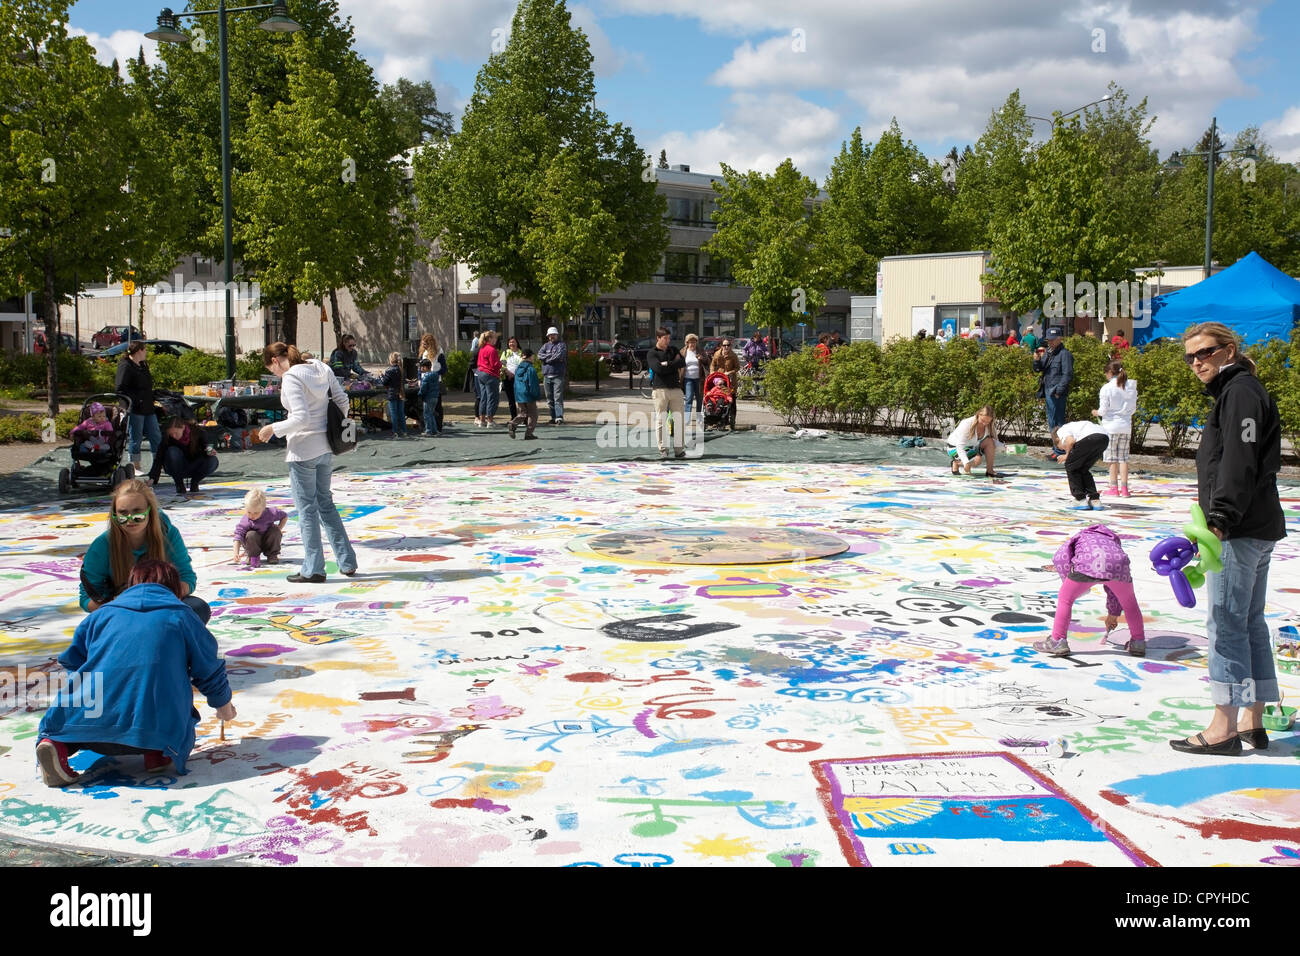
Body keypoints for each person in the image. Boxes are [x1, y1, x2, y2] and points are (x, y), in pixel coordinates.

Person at [1170, 322, 1286, 757]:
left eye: (1205, 352)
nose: (1197, 362)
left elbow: (1239, 461)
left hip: (1239, 528)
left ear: (1229, 351)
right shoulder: (1241, 391)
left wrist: (1219, 519)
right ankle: (1253, 719)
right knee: (1249, 620)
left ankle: (1224, 726)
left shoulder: (1239, 393)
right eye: (1190, 356)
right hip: (1257, 524)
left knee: (1225, 623)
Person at [36, 558, 235, 786]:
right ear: (174, 586)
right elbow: (209, 672)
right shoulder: (183, 616)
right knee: (164, 700)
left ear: (131, 583)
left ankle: (57, 745)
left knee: (77, 713)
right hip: (150, 728)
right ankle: (156, 753)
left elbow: (73, 662)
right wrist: (225, 708)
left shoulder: (100, 616)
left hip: (87, 723)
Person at [258, 342, 358, 584]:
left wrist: (273, 428)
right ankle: (347, 561)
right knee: (326, 505)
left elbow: (300, 418)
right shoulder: (321, 367)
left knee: (307, 511)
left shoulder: (291, 377)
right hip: (326, 447)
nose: (275, 375)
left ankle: (313, 568)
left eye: (272, 370)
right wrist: (329, 425)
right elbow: (343, 401)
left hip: (303, 450)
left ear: (275, 361)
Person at [79, 477, 210, 623]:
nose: (130, 519)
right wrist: (120, 604)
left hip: (162, 604)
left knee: (198, 608)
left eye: (138, 513)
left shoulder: (168, 535)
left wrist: (161, 597)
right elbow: (86, 598)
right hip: (120, 609)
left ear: (150, 511)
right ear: (114, 515)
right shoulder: (102, 545)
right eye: (122, 514)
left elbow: (187, 578)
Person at [1034, 524, 1146, 658]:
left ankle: (1058, 641)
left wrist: (1067, 580)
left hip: (1087, 564)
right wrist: (1113, 614)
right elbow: (1112, 586)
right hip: (1119, 567)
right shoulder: (1112, 540)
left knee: (1065, 599)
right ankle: (1138, 642)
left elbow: (1060, 557)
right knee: (1130, 604)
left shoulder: (1081, 536)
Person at [1093, 358, 1138, 497]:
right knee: (1123, 458)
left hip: (1111, 426)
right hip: (1125, 425)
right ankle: (1124, 489)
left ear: (1109, 372)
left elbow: (1103, 410)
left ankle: (1114, 487)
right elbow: (1133, 409)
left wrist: (1096, 413)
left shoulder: (1107, 388)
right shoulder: (1130, 386)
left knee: (1112, 459)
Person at [115, 340, 161, 473]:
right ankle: (136, 466)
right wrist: (135, 400)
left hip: (148, 407)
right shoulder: (125, 365)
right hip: (134, 408)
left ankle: (159, 464)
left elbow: (147, 385)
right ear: (139, 351)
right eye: (145, 349)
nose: (146, 352)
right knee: (136, 437)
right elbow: (120, 388)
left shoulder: (143, 365)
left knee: (155, 435)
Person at [147, 416, 219, 496]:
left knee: (212, 460)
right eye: (171, 434)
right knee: (172, 451)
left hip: (194, 465)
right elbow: (158, 459)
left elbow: (208, 445)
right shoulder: (167, 438)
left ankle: (195, 482)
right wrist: (152, 478)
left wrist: (210, 451)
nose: (174, 436)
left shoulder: (198, 432)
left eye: (176, 433)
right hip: (175, 468)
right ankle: (179, 484)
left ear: (183, 428)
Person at [1033, 326, 1074, 458]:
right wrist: (1036, 360)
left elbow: (1067, 374)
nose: (1050, 342)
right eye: (1049, 340)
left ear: (1059, 339)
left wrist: (1059, 391)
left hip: (1056, 392)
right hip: (1048, 390)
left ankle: (1060, 451)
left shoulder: (1065, 354)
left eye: (1052, 340)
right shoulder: (1049, 353)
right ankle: (1056, 449)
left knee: (1058, 422)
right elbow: (1039, 369)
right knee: (1052, 422)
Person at [647, 326, 686, 460]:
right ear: (658, 338)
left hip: (676, 389)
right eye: (665, 338)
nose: (668, 341)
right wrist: (672, 364)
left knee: (679, 419)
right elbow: (658, 368)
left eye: (669, 338)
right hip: (660, 390)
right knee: (661, 420)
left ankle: (679, 450)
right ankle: (663, 449)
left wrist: (667, 364)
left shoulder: (674, 349)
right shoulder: (652, 353)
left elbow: (682, 362)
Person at [1056, 419, 1109, 510]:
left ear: (1058, 439)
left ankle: (1080, 499)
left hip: (1089, 439)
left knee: (1071, 466)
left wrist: (1066, 455)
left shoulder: (1061, 431)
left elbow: (1070, 442)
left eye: (1062, 448)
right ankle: (1095, 500)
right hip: (1104, 439)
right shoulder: (1075, 426)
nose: (1064, 449)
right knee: (1083, 469)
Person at [232, 487, 288, 568]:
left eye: (256, 513)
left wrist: (279, 528)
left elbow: (284, 516)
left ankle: (272, 554)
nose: (252, 515)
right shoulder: (246, 520)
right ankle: (252, 556)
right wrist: (235, 553)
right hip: (253, 544)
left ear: (263, 509)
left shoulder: (270, 513)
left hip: (268, 541)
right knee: (251, 534)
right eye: (249, 512)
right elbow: (237, 537)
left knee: (275, 530)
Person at [946, 405, 1004, 477]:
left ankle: (990, 471)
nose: (985, 424)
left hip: (972, 447)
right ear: (978, 415)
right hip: (954, 447)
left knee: (989, 441)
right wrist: (966, 462)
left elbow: (995, 442)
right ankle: (956, 463)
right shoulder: (967, 423)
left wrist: (1006, 449)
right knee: (977, 460)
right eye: (983, 420)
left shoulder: (990, 426)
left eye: (988, 422)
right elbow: (960, 446)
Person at [508, 348, 542, 440]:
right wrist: (537, 395)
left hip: (519, 394)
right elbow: (533, 384)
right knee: (533, 414)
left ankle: (513, 424)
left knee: (522, 413)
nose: (533, 358)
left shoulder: (518, 368)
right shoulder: (531, 369)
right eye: (532, 356)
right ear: (530, 357)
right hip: (529, 394)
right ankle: (529, 433)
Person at [538, 326, 567, 425]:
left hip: (558, 375)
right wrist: (550, 357)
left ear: (557, 335)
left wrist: (546, 360)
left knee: (557, 397)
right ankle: (553, 417)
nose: (551, 336)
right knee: (549, 398)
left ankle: (559, 417)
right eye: (550, 335)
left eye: (553, 335)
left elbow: (559, 356)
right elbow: (539, 355)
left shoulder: (561, 345)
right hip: (547, 375)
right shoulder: (545, 346)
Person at [418, 333, 446, 432]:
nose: (423, 346)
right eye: (423, 344)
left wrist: (433, 374)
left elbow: (444, 368)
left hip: (435, 381)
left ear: (430, 344)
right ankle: (428, 427)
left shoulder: (439, 351)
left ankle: (437, 428)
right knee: (427, 408)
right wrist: (419, 379)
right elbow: (420, 367)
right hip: (425, 380)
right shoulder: (423, 353)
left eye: (425, 344)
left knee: (436, 407)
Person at [475, 330, 502, 427]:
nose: (496, 339)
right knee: (492, 397)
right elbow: (494, 365)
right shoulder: (492, 349)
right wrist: (501, 363)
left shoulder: (482, 348)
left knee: (483, 397)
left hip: (480, 373)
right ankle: (490, 421)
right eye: (495, 337)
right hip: (490, 375)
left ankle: (482, 420)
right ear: (490, 338)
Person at [380, 351, 408, 438]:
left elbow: (384, 383)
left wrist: (381, 376)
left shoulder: (389, 370)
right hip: (401, 392)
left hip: (392, 394)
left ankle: (395, 431)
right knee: (401, 413)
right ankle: (404, 431)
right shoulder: (402, 370)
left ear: (391, 360)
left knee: (394, 414)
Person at [682, 334, 706, 427]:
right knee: (689, 398)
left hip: (699, 379)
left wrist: (702, 358)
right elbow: (679, 364)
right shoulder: (683, 352)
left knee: (700, 399)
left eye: (694, 342)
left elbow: (707, 361)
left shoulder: (700, 351)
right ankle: (687, 419)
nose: (692, 344)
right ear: (687, 343)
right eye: (690, 342)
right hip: (688, 378)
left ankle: (699, 418)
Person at [502, 336, 523, 422]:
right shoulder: (506, 352)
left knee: (521, 399)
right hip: (507, 378)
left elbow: (523, 365)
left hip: (519, 379)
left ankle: (522, 417)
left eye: (513, 342)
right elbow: (502, 364)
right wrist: (508, 373)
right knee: (511, 400)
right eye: (510, 342)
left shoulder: (521, 353)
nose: (511, 344)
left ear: (517, 343)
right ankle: (513, 417)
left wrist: (516, 374)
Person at [418, 358, 441, 437]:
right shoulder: (435, 374)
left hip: (428, 397)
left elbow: (423, 388)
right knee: (431, 414)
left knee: (427, 414)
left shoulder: (426, 376)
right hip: (435, 397)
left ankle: (428, 431)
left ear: (425, 367)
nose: (420, 369)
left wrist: (420, 393)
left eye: (421, 367)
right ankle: (435, 430)